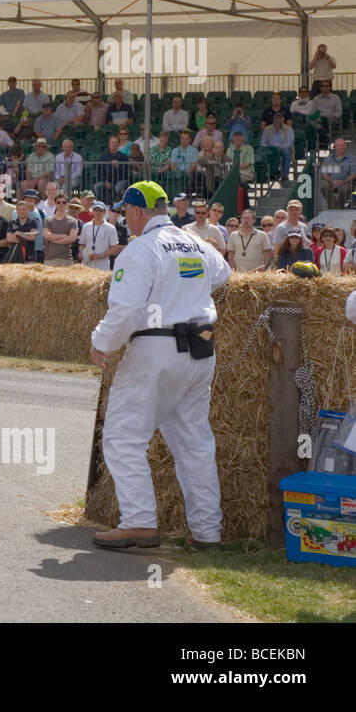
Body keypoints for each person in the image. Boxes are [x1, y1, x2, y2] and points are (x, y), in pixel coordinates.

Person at [89, 180, 231, 551]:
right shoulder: (196, 243)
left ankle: (138, 522)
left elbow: (127, 310)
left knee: (122, 437)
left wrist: (101, 342)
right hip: (200, 349)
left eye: (125, 213)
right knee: (195, 443)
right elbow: (223, 275)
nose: (125, 221)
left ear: (138, 212)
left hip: (156, 348)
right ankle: (206, 532)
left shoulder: (139, 251)